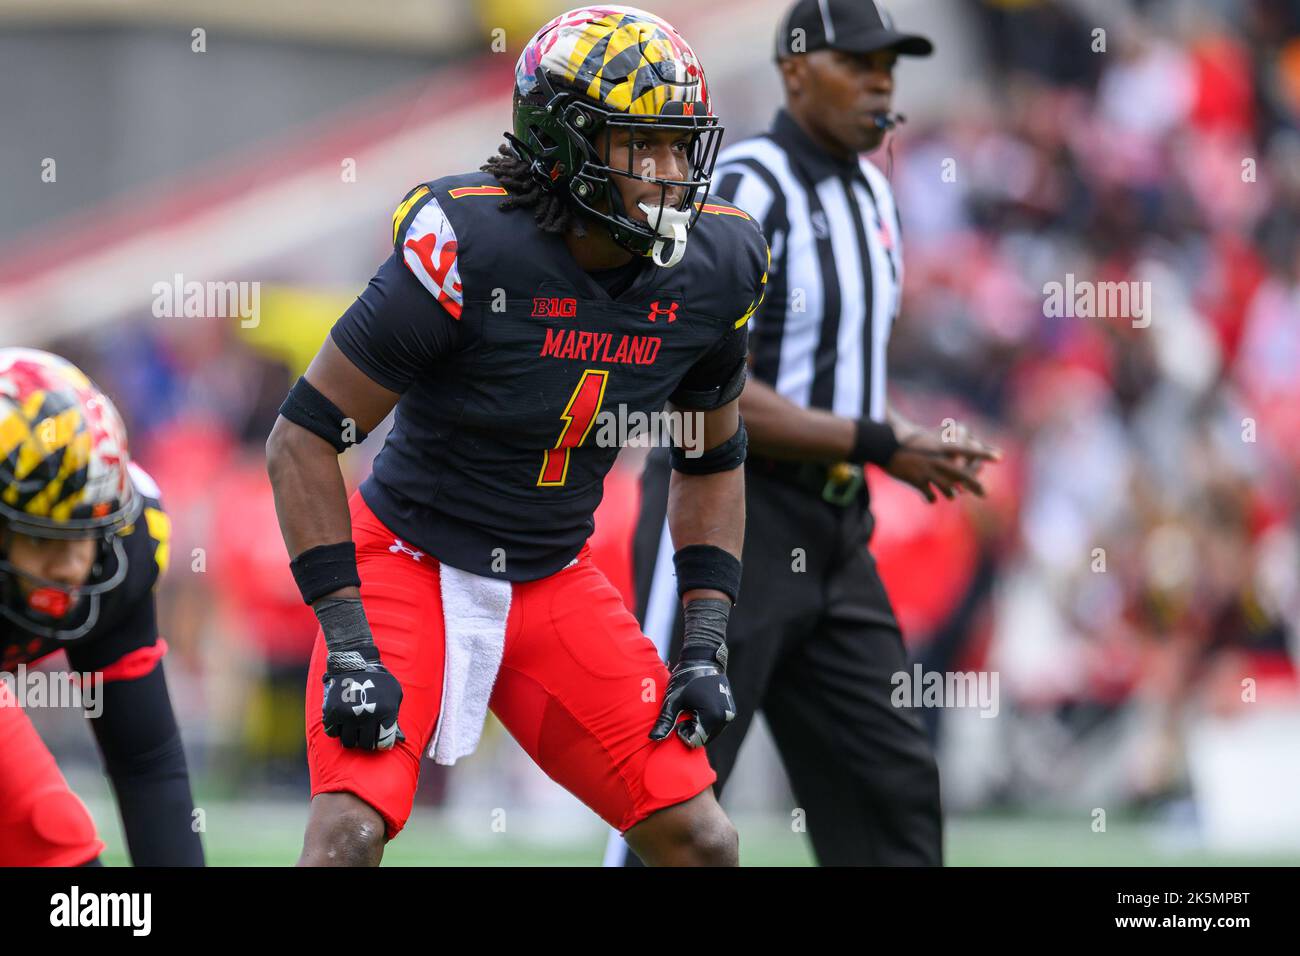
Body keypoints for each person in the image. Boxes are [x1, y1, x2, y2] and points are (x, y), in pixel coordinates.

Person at [265, 5, 769, 867]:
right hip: (405, 562)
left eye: (681, 145)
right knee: (347, 832)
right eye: (642, 145)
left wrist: (706, 640)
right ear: (563, 145)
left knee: (701, 840)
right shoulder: (472, 243)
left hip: (553, 579)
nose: (672, 171)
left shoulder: (715, 268)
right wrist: (348, 639)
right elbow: (304, 437)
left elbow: (711, 458)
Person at [608, 0, 999, 867]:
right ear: (793, 69)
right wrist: (875, 440)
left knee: (892, 798)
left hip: (836, 534)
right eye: (857, 62)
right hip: (724, 523)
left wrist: (898, 435)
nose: (881, 82)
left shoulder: (874, 193)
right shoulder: (745, 185)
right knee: (676, 800)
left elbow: (833, 375)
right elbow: (698, 385)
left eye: (891, 66)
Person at [0, 347, 204, 866]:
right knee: (55, 838)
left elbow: (147, 763)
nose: (71, 567)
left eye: (83, 536)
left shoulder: (120, 552)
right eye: (43, 540)